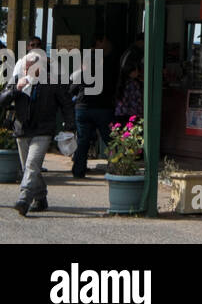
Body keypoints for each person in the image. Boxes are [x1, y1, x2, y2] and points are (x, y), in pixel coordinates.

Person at [0, 49, 74, 216]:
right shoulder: (18, 80)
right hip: (23, 129)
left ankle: (24, 199)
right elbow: (2, 101)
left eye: (30, 67)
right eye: (25, 67)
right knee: (29, 167)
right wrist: (14, 90)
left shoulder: (52, 83)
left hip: (43, 130)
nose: (26, 71)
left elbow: (66, 103)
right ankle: (40, 197)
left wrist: (69, 126)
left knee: (32, 165)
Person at [72, 36, 117, 179]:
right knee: (109, 140)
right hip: (102, 107)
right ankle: (116, 167)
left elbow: (72, 88)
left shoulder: (83, 70)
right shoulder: (107, 68)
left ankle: (78, 170)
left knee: (83, 140)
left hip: (83, 107)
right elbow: (113, 86)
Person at [114, 49, 144, 128]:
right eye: (137, 70)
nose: (138, 72)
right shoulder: (134, 84)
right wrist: (141, 116)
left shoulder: (120, 82)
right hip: (130, 115)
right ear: (132, 71)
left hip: (119, 114)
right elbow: (137, 101)